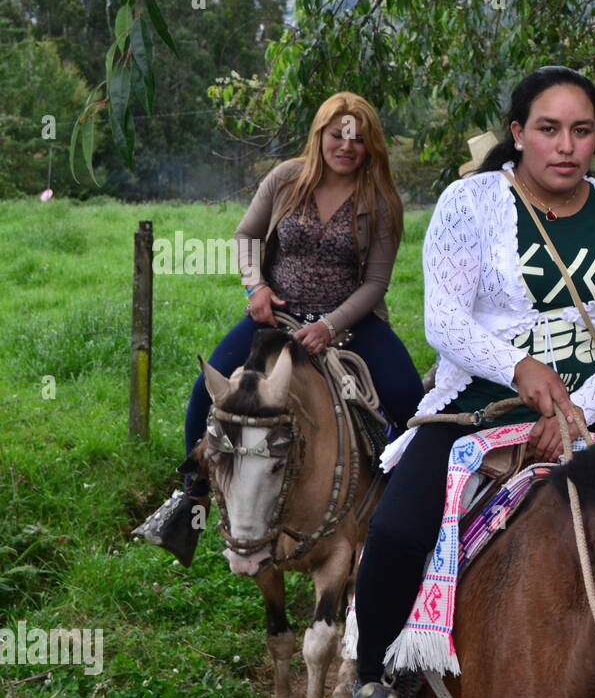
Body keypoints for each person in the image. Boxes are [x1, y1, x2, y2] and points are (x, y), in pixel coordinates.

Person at [305, 66, 595, 698]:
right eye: (549, 129)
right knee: (400, 531)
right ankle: (374, 690)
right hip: (478, 406)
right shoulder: (470, 204)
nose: (567, 146)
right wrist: (521, 367)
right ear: (518, 134)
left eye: (582, 131)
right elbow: (445, 318)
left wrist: (580, 410)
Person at [132, 92, 425, 566]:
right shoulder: (286, 179)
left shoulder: (380, 200)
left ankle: (402, 511)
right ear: (320, 135)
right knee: (206, 395)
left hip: (351, 325)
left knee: (411, 405)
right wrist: (257, 288)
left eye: (358, 138)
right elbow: (246, 235)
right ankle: (192, 498)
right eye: (337, 134)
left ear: (371, 146)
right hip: (274, 317)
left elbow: (376, 282)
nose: (346, 146)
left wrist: (331, 325)